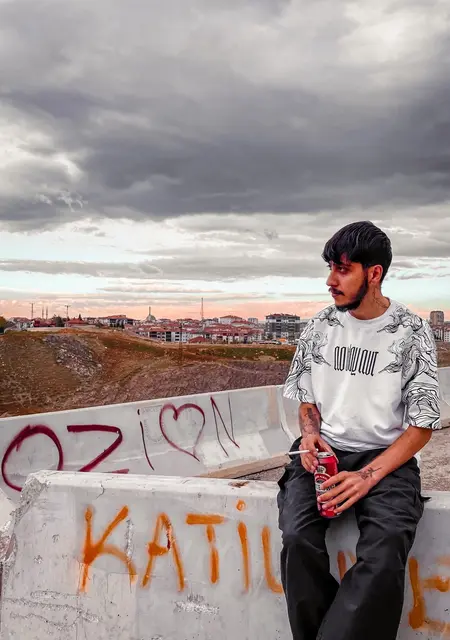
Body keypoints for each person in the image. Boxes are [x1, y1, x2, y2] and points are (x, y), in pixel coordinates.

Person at [278, 220, 441, 640]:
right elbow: (307, 400)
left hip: (387, 458)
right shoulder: (319, 327)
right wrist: (310, 434)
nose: (330, 281)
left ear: (374, 273)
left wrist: (367, 476)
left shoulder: (411, 331)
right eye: (330, 268)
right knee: (296, 538)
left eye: (342, 269)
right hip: (324, 451)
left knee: (386, 549)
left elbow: (423, 425)